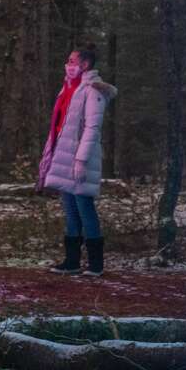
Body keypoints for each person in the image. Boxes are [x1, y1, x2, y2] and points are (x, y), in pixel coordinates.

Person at [39, 44, 117, 277]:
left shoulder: (93, 90)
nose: (68, 64)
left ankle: (95, 264)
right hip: (64, 156)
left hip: (81, 158)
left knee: (85, 207)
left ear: (85, 64)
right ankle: (71, 261)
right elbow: (60, 125)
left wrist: (81, 160)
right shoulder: (68, 89)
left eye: (72, 61)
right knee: (71, 209)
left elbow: (92, 127)